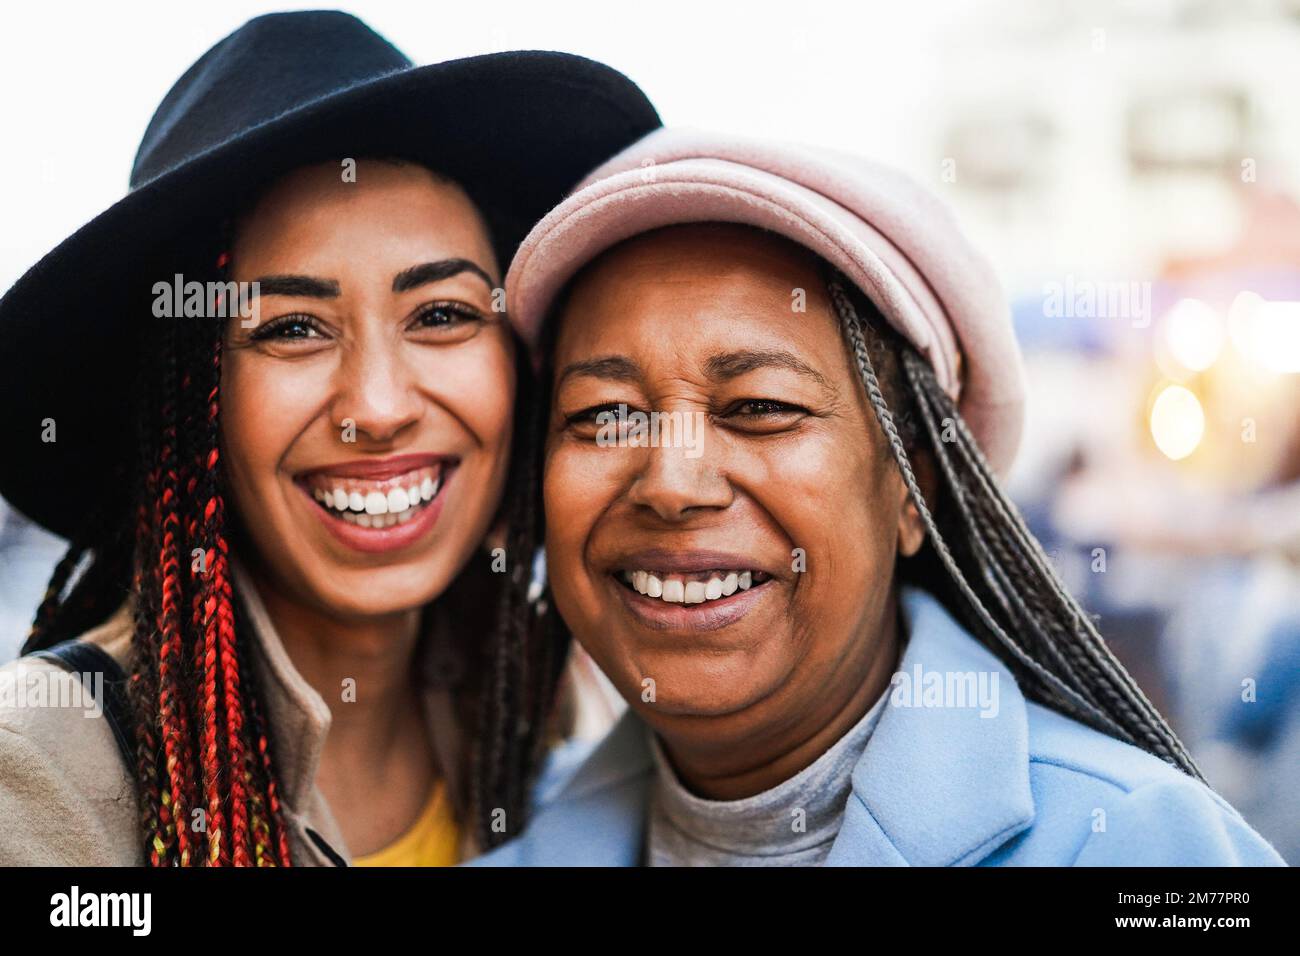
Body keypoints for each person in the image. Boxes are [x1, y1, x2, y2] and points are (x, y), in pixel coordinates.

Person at [471, 129, 1286, 866]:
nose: (673, 484)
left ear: (913, 490)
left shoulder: (1144, 849)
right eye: (605, 417)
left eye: (760, 408)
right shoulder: (515, 846)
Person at [0, 11, 658, 866]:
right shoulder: (44, 780)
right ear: (192, 403)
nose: (377, 408)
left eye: (443, 314)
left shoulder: (557, 699)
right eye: (292, 329)